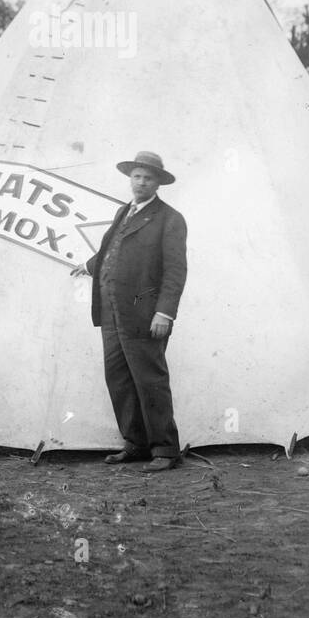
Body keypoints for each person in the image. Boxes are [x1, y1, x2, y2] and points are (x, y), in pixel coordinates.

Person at [71, 151, 187, 473]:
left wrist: (164, 313)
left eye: (148, 178)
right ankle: (135, 443)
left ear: (158, 183)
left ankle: (165, 449)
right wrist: (88, 266)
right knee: (118, 378)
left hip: (143, 314)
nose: (141, 182)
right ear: (130, 179)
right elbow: (113, 250)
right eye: (137, 176)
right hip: (111, 313)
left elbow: (176, 271)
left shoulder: (170, 219)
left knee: (150, 380)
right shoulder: (124, 211)